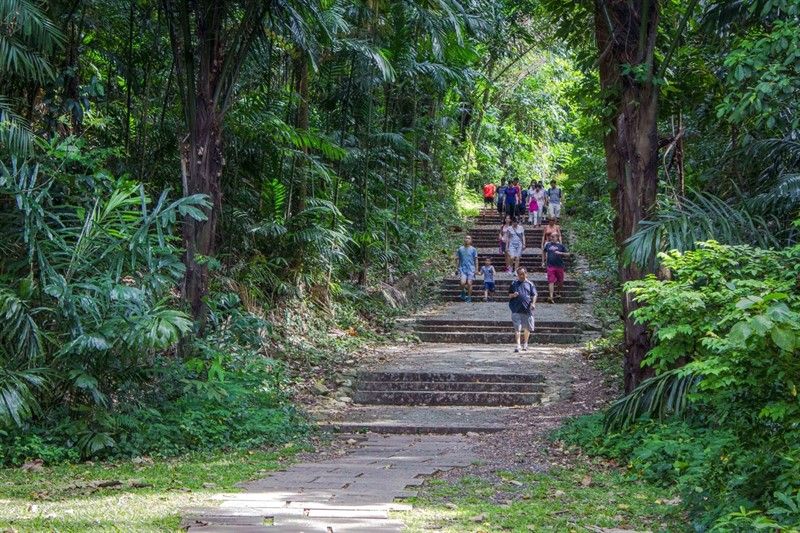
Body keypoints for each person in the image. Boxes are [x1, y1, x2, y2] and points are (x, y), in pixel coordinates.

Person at [508, 267, 537, 352]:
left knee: (527, 328)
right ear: (517, 275)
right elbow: (509, 295)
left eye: (523, 274)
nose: (521, 276)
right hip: (516, 309)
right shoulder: (514, 283)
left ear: (526, 274)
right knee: (518, 328)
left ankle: (526, 344)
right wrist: (513, 295)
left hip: (527, 309)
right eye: (520, 274)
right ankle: (518, 345)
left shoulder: (530, 284)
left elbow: (534, 294)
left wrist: (533, 303)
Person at [542, 233, 570, 304]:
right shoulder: (548, 245)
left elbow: (568, 254)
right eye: (551, 237)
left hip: (559, 266)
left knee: (560, 282)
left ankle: (557, 292)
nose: (551, 238)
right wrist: (543, 261)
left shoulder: (561, 246)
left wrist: (560, 253)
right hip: (550, 266)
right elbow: (543, 251)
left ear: (557, 237)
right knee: (551, 281)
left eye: (553, 237)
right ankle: (551, 297)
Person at [456, 235, 478, 302]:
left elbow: (476, 259)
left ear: (471, 240)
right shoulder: (460, 249)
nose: (467, 239)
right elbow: (458, 259)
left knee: (469, 283)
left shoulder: (473, 249)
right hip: (462, 268)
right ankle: (463, 291)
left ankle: (469, 297)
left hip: (471, 268)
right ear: (464, 239)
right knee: (462, 283)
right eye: (466, 238)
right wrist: (457, 268)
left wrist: (476, 269)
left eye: (468, 238)